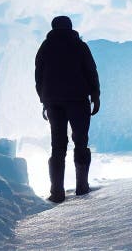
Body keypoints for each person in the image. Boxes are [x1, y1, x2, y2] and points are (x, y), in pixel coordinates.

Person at [35, 16, 101, 203]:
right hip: (78, 100)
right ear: (70, 27)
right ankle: (82, 187)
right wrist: (95, 95)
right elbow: (91, 71)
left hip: (53, 103)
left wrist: (44, 101)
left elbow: (38, 76)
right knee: (80, 141)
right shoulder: (79, 46)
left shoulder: (45, 47)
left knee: (58, 146)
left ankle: (57, 192)